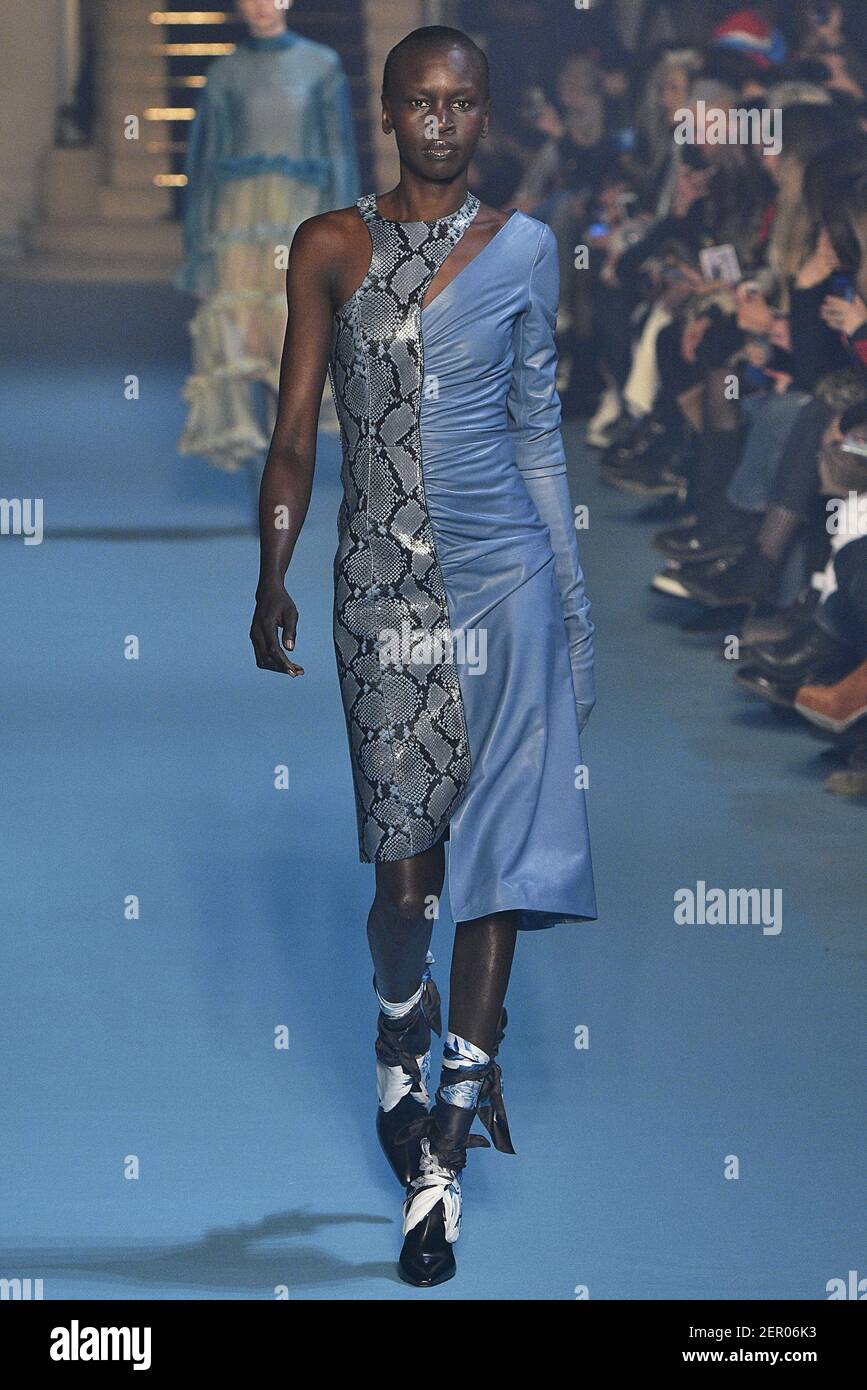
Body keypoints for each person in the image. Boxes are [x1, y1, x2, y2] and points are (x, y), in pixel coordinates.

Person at [249, 25, 597, 1285]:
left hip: (505, 585)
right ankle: (401, 1016)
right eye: (421, 103)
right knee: (408, 896)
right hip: (378, 593)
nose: (442, 122)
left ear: (486, 116)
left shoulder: (524, 251)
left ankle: (441, 1165)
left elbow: (539, 437)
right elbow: (294, 429)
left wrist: (574, 612)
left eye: (464, 104)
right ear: (386, 114)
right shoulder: (331, 247)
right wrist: (272, 567)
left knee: (495, 869)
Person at [175, 0, 359, 470]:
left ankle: (291, 444)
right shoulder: (225, 73)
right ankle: (247, 445)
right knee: (239, 328)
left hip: (300, 215)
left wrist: (349, 235)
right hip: (238, 221)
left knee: (293, 325)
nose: (260, 5)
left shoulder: (321, 65)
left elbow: (339, 151)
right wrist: (198, 243)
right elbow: (205, 160)